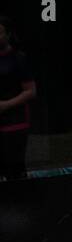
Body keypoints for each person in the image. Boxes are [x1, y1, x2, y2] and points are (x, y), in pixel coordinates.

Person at [0, 16, 36, 182]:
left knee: (14, 170)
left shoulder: (18, 58)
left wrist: (6, 105)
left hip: (15, 123)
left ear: (7, 34)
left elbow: (30, 91)